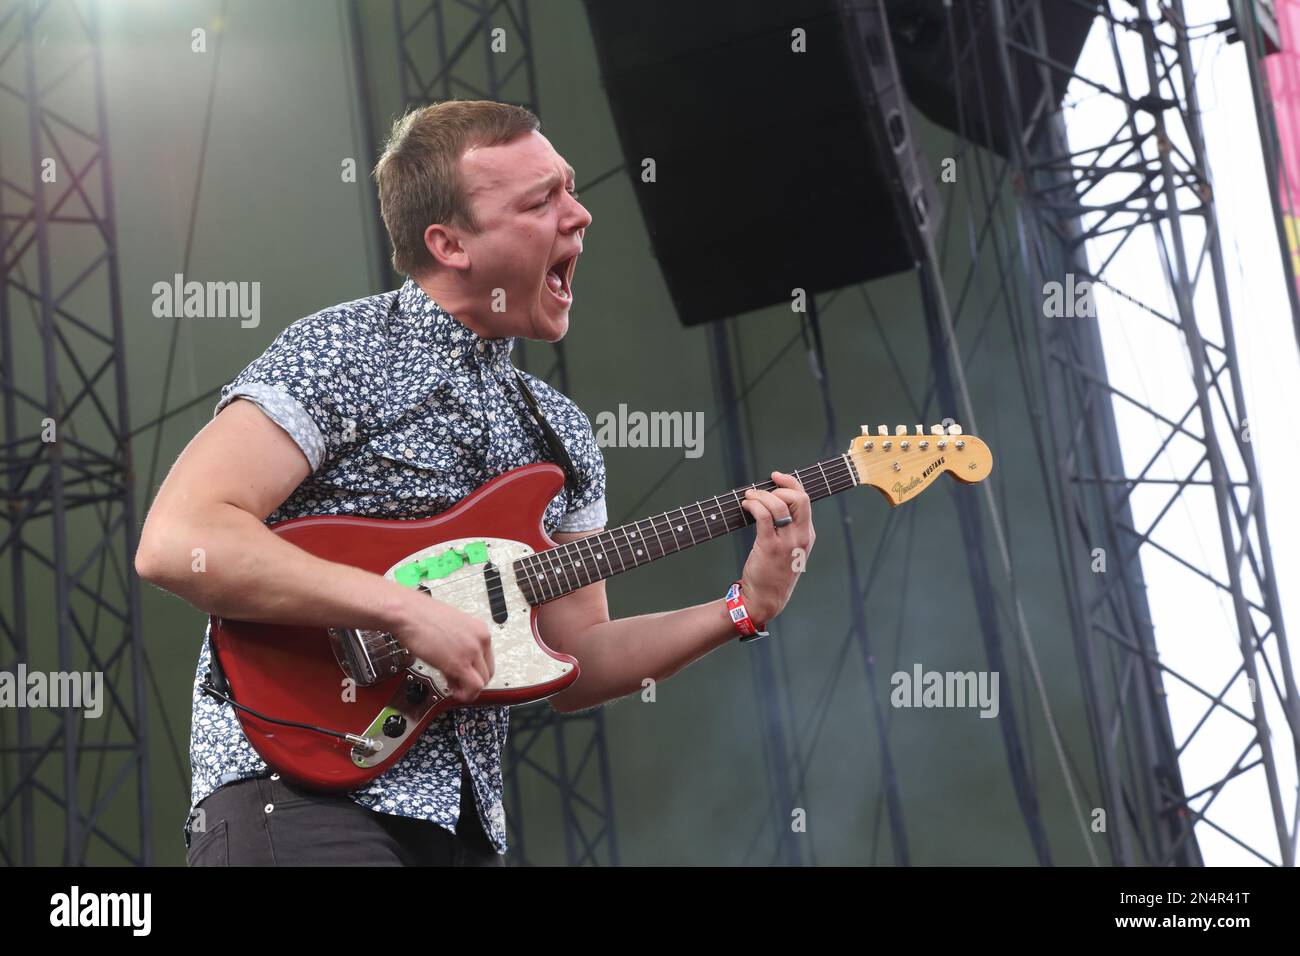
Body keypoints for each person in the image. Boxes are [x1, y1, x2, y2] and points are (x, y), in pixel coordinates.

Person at [134, 99, 816, 866]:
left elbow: (576, 656)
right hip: (294, 799)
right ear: (449, 243)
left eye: (571, 187)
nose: (580, 214)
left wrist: (744, 607)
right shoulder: (344, 351)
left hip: (458, 829)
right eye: (542, 200)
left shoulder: (558, 433)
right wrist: (402, 611)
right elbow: (179, 540)